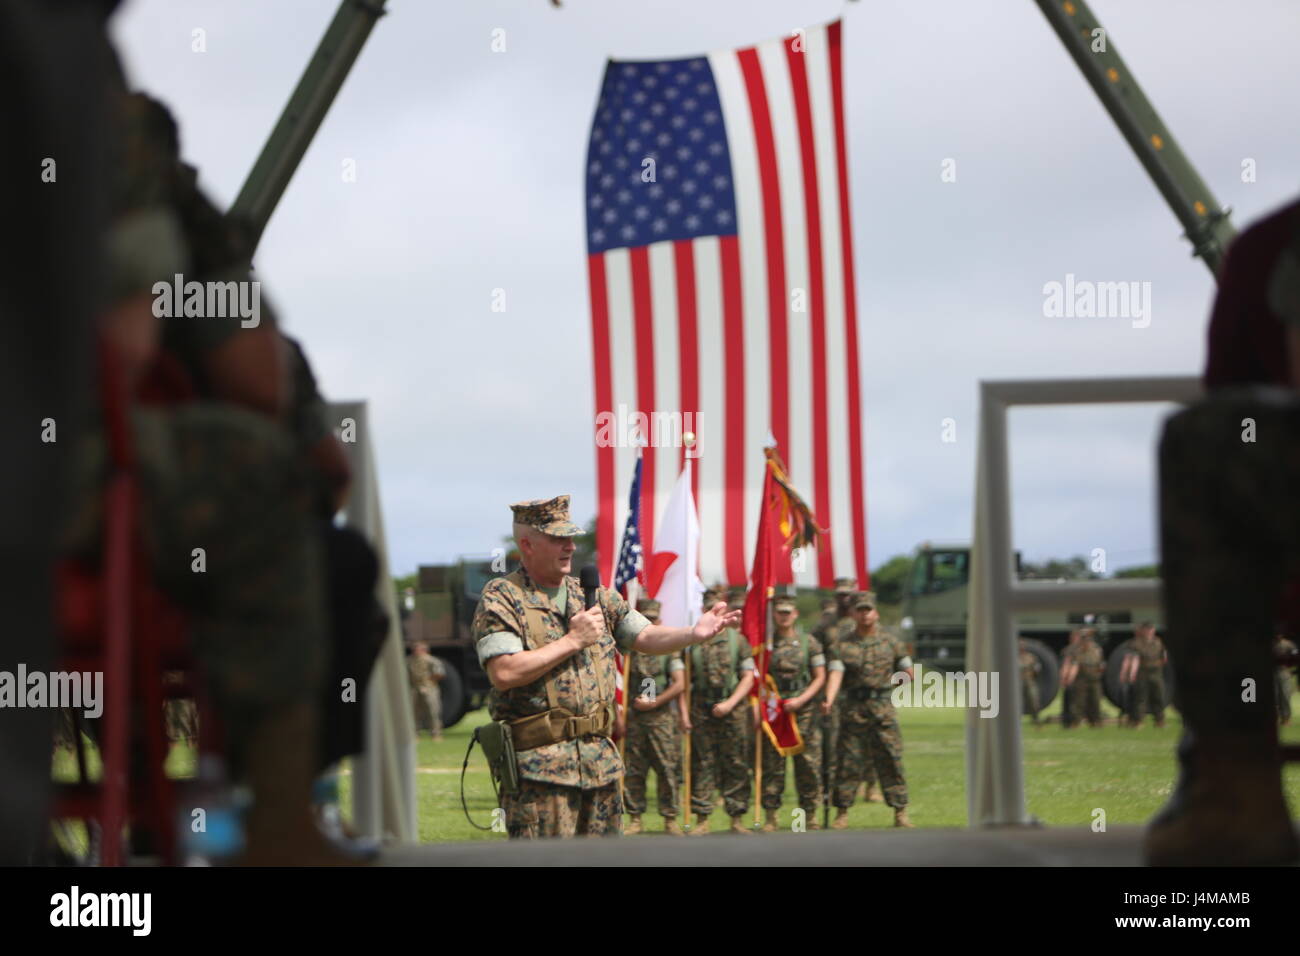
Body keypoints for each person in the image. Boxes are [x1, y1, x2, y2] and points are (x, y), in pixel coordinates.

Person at [470, 496, 741, 839]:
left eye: (571, 537)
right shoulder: (503, 597)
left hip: (601, 766)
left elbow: (645, 636)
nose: (570, 546)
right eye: (557, 538)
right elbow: (505, 673)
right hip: (540, 771)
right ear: (527, 544)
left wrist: (693, 632)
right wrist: (572, 640)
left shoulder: (594, 594)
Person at [823, 592, 915, 829]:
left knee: (890, 760)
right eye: (860, 610)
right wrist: (829, 699)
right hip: (853, 710)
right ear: (853, 613)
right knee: (847, 763)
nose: (864, 614)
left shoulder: (892, 642)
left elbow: (909, 673)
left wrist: (887, 687)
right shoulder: (842, 645)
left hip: (883, 710)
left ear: (876, 613)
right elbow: (835, 673)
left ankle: (900, 812)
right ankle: (842, 813)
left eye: (868, 610)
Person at [684, 587, 756, 835]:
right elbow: (681, 679)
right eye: (708, 609)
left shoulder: (739, 641)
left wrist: (730, 704)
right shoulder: (693, 641)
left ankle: (736, 818)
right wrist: (682, 713)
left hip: (732, 708)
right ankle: (702, 818)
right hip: (701, 709)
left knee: (735, 761)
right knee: (702, 763)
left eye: (717, 609)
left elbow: (748, 678)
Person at [759, 596, 827, 831]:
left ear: (795, 614)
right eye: (780, 612)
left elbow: (820, 677)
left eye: (787, 612)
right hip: (775, 710)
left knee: (808, 765)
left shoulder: (810, 642)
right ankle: (770, 816)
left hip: (804, 709)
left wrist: (801, 700)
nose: (783, 616)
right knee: (773, 765)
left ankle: (810, 815)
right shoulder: (766, 644)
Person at [622, 599, 686, 836]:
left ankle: (670, 819)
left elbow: (680, 683)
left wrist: (656, 702)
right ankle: (635, 818)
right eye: (644, 618)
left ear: (660, 621)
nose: (649, 622)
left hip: (661, 720)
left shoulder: (670, 650)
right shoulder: (629, 651)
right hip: (636, 719)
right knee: (634, 770)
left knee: (667, 770)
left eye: (653, 619)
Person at [1125, 622, 1167, 728]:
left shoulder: (1158, 642)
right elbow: (1132, 657)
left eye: (1151, 629)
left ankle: (1160, 721)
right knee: (1141, 698)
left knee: (1158, 696)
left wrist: (1160, 663)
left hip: (1156, 673)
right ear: (1143, 631)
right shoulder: (1136, 643)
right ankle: (1139, 721)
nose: (1149, 632)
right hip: (1142, 673)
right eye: (1147, 630)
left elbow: (1164, 657)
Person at [1060, 628, 1104, 728]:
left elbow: (1100, 663)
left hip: (1094, 679)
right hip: (1080, 680)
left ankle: (1095, 722)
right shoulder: (1075, 651)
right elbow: (1071, 665)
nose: (1087, 641)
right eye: (1085, 638)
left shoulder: (1097, 649)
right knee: (1078, 702)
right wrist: (1067, 678)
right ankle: (1076, 722)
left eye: (1089, 638)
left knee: (1095, 701)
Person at [408, 643, 445, 740]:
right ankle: (415, 734)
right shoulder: (410, 661)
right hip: (415, 688)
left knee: (433, 711)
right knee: (414, 712)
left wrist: (429, 681)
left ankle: (436, 733)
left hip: (429, 688)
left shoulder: (432, 661)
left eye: (418, 649)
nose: (415, 652)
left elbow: (439, 673)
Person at [1018, 638, 1041, 725]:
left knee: (1033, 700)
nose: (1021, 647)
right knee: (1018, 701)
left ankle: (1036, 719)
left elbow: (1037, 669)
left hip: (1029, 681)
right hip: (1018, 683)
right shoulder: (1013, 657)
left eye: (1022, 646)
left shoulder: (1031, 657)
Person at [1275, 634, 1296, 726]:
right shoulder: (1272, 644)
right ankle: (1279, 717)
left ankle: (1286, 718)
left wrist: (1292, 668)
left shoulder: (1289, 644)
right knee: (1276, 695)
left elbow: (1295, 656)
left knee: (1285, 694)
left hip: (1284, 670)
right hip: (1273, 670)